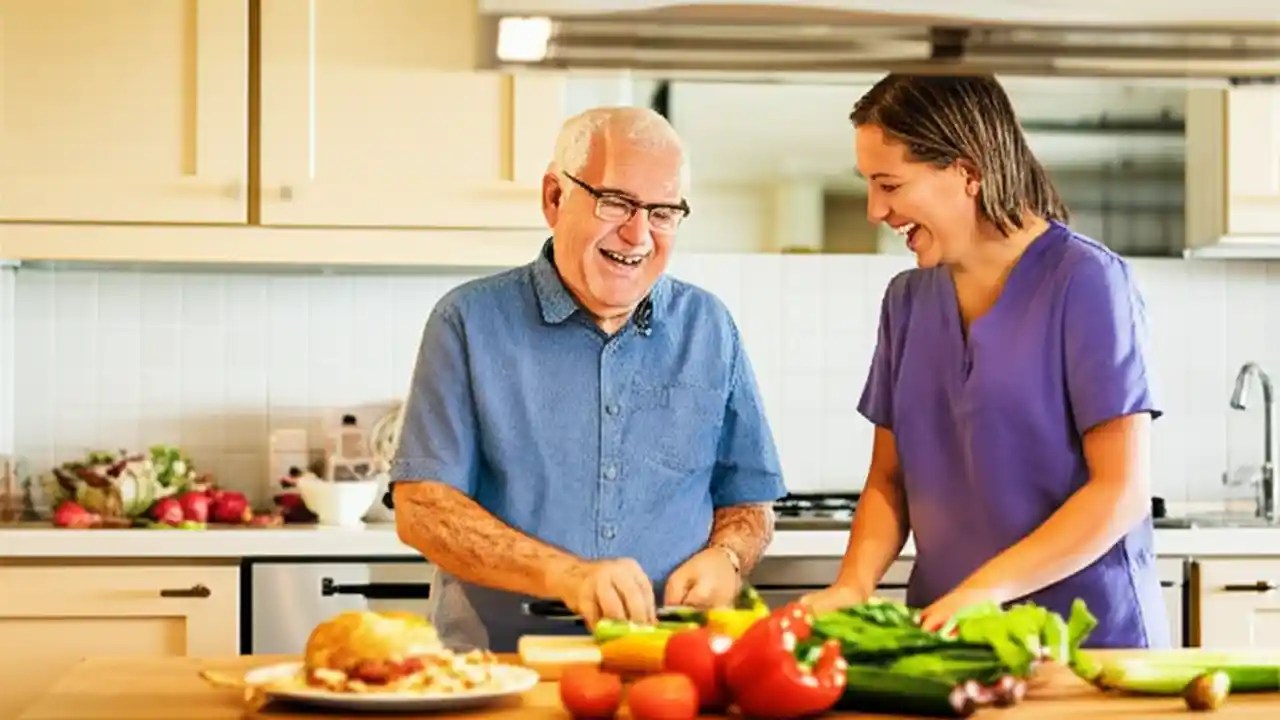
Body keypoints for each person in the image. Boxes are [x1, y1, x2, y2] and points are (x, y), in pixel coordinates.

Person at [388, 106, 786, 652]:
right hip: (498, 667)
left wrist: (728, 556)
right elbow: (423, 510)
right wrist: (566, 575)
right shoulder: (468, 321)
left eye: (664, 211)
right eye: (616, 202)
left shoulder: (710, 327)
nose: (638, 233)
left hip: (669, 664)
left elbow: (749, 501)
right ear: (555, 197)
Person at [801, 74, 1168, 649]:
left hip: (1082, 647)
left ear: (967, 172)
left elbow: (1119, 490)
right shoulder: (907, 300)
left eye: (889, 184)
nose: (875, 210)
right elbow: (889, 481)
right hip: (949, 643)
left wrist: (984, 591)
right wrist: (852, 585)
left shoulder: (1088, 281)